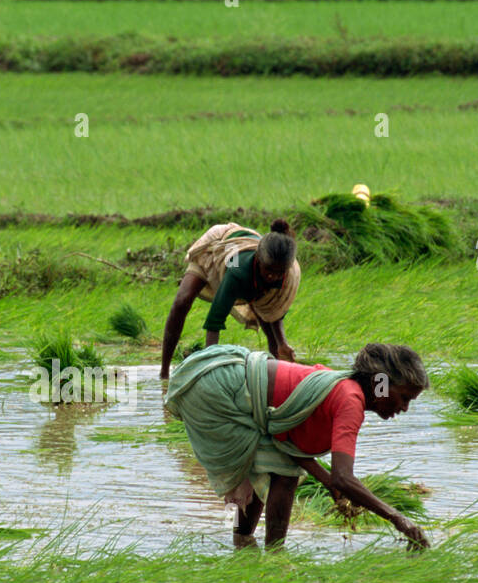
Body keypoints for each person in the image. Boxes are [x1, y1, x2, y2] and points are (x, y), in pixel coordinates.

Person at [165, 342, 430, 549]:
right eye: (404, 398)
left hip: (218, 375)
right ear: (381, 383)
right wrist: (398, 519)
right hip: (218, 388)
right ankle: (274, 553)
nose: (404, 408)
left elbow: (291, 447)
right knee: (280, 473)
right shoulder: (350, 400)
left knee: (271, 464)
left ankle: (245, 545)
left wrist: (328, 483)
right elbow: (343, 477)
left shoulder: (342, 387)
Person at [159, 219, 301, 379]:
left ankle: (279, 377)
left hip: (249, 263)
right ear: (259, 260)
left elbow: (273, 313)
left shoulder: (287, 276)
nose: (272, 276)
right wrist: (210, 365)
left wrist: (282, 343)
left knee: (270, 329)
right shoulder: (237, 272)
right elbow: (215, 320)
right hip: (219, 245)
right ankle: (164, 372)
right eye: (268, 270)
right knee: (182, 301)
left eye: (278, 273)